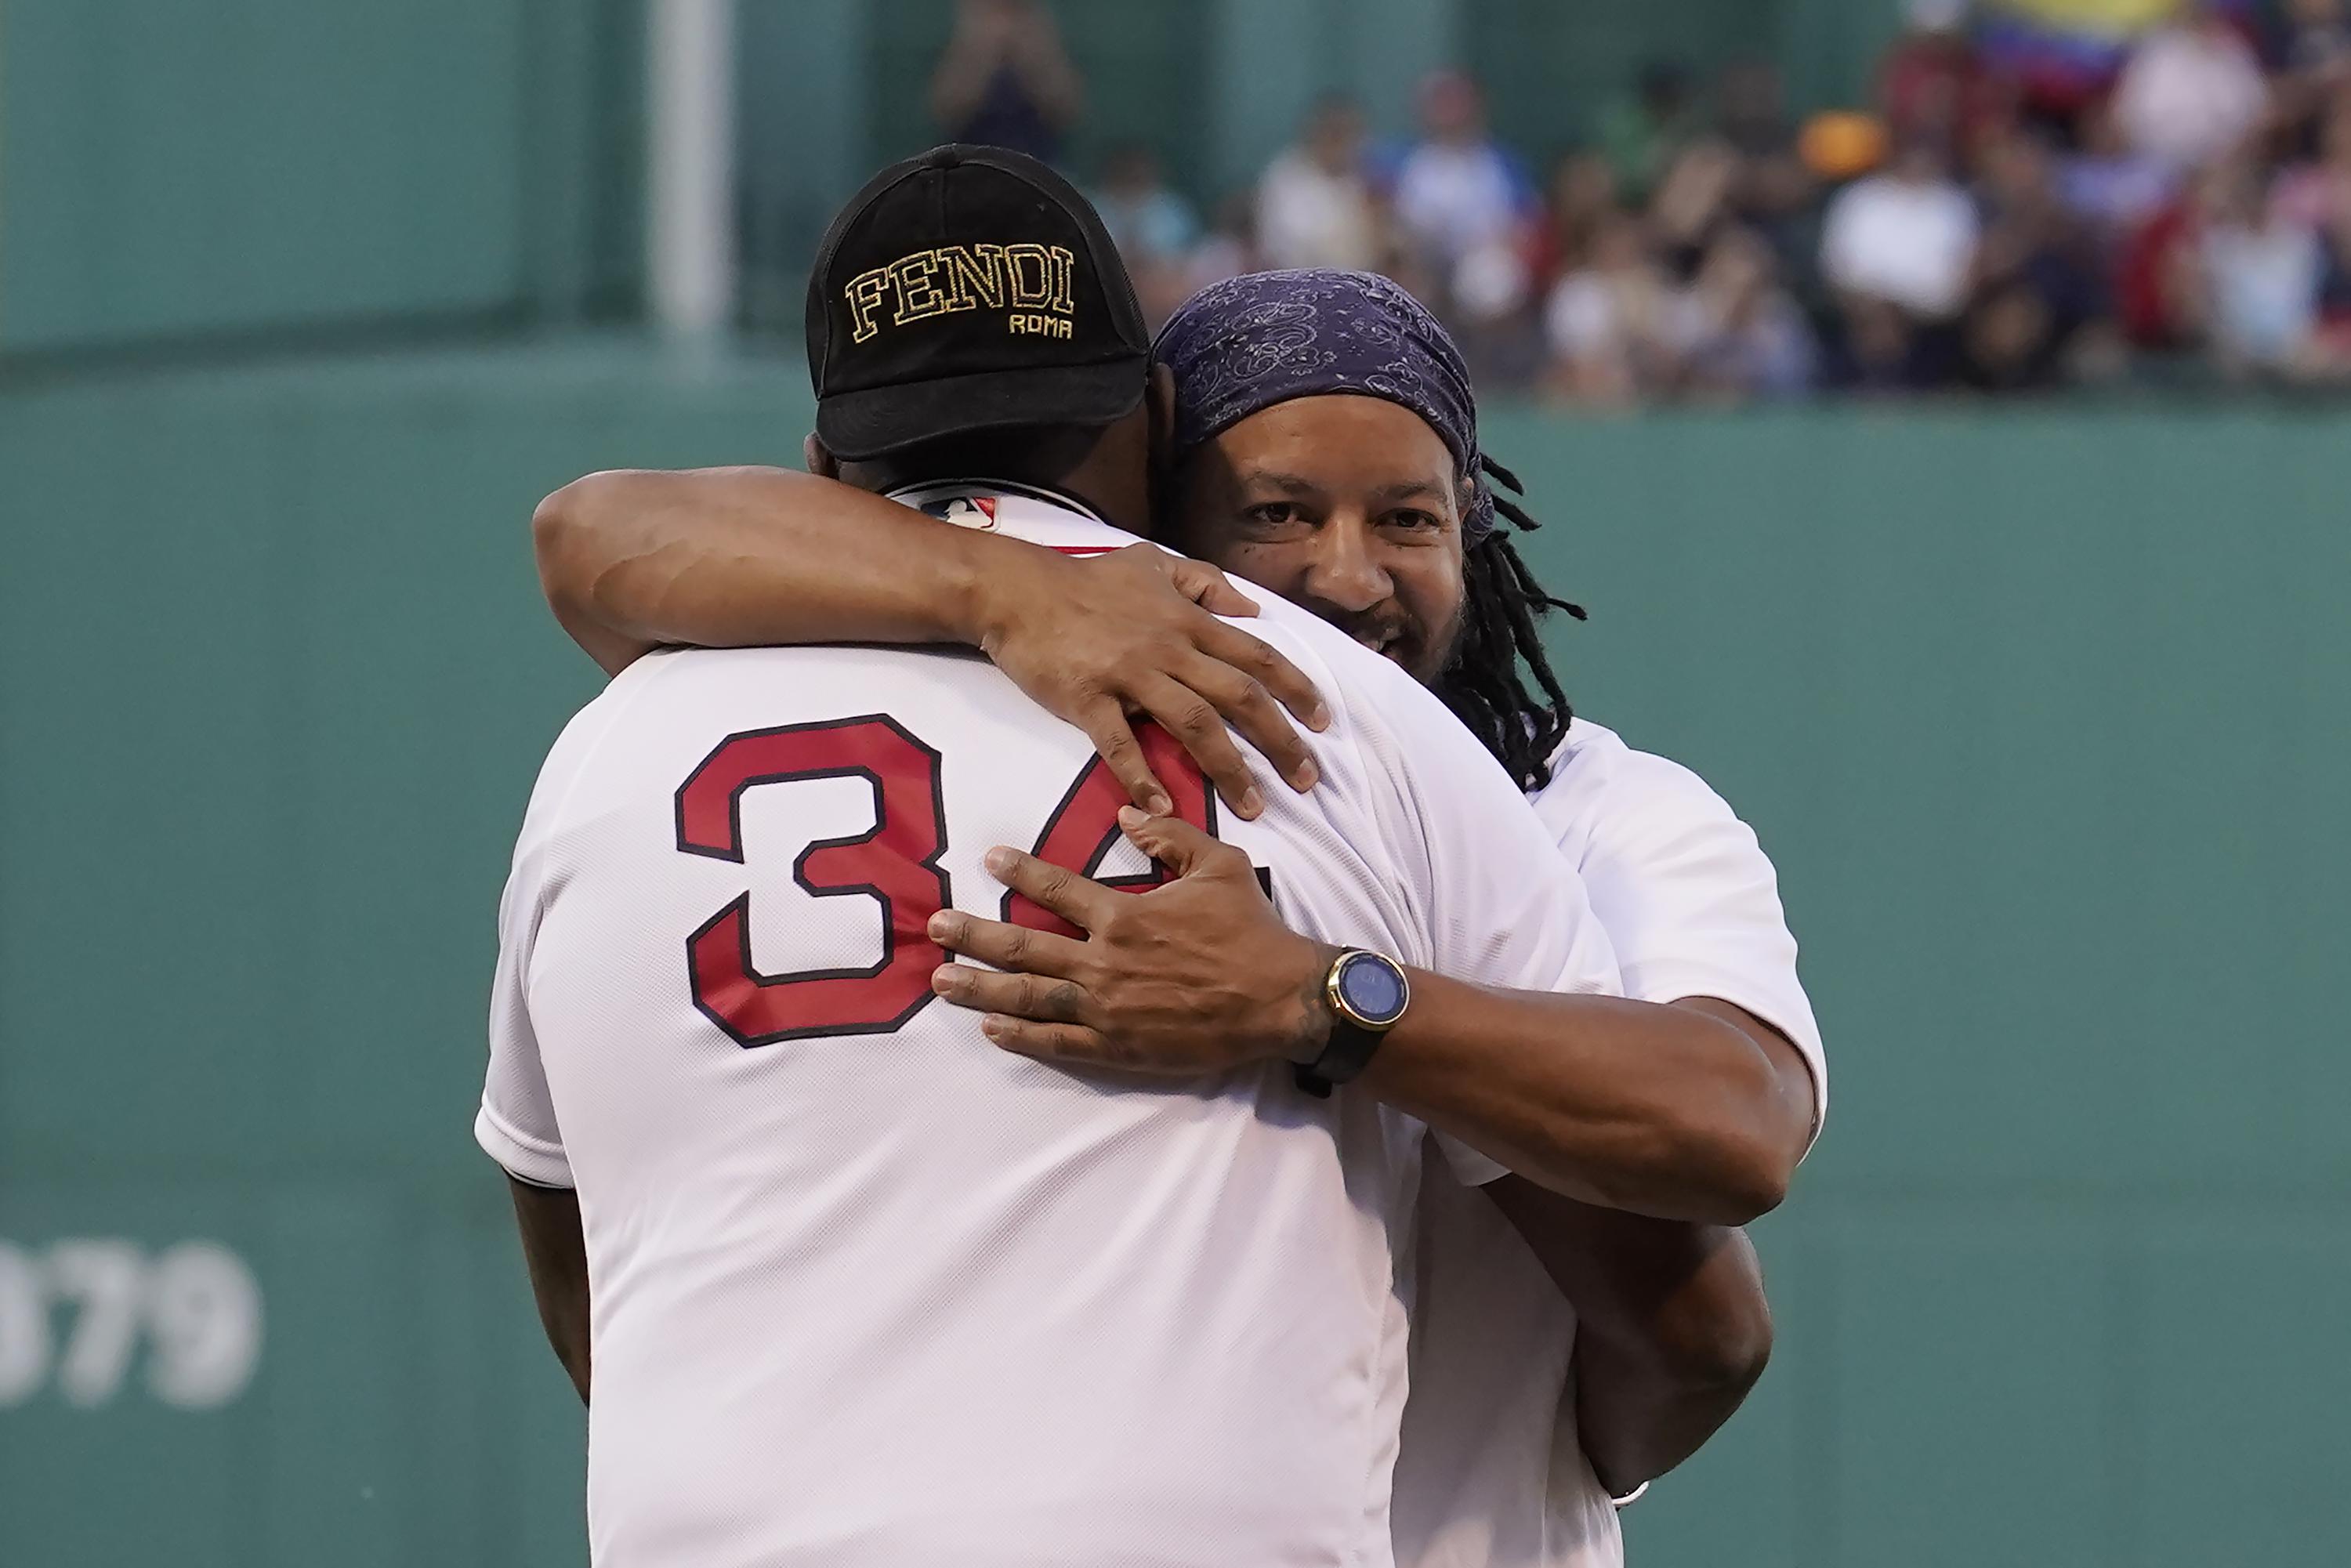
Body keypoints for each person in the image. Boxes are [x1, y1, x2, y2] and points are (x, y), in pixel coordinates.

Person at [532, 268, 1826, 1568]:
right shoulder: (1018, 736)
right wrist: (1004, 588)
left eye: (1409, 519)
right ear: (1149, 523)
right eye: (1278, 512)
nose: (1347, 572)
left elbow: (1736, 1143)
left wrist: (1318, 998)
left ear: (1474, 538)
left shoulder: (1593, 808)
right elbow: (595, 530)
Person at [928, 0, 1081, 164]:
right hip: (972, 166)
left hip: (1037, 164)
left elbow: (1066, 110)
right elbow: (947, 110)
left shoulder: (1040, 43)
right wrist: (981, 54)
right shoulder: (968, 45)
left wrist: (1033, 56)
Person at [1256, 95, 1385, 273]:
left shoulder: (1365, 179)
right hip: (1300, 286)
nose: (1343, 145)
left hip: (1360, 287)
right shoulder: (1287, 179)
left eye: (1351, 135)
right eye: (1335, 134)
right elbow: (1287, 247)